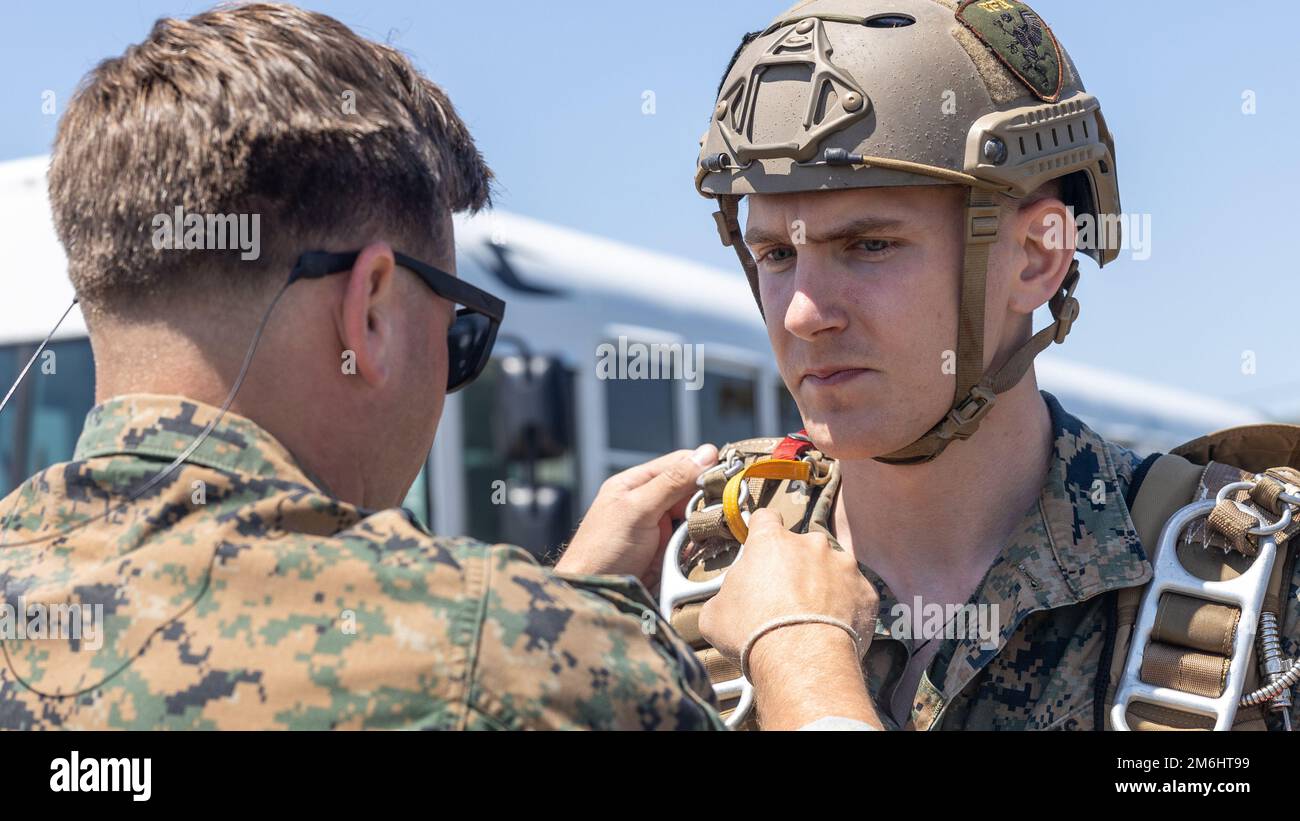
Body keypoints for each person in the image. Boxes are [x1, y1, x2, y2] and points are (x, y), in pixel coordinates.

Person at [0, 2, 845, 731]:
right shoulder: (521, 658)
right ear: (369, 312)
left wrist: (553, 612)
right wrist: (806, 661)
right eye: (459, 331)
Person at [687, 0, 1300, 730]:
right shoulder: (692, 578)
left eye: (869, 246)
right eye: (777, 255)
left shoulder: (1252, 589)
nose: (802, 313)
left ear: (1037, 258)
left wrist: (800, 668)